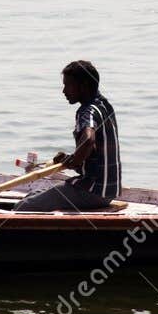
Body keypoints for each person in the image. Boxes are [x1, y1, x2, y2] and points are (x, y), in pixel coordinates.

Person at [14, 60, 121, 212]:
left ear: (83, 86)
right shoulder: (105, 106)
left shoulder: (87, 111)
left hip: (91, 191)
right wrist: (69, 159)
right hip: (109, 191)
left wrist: (75, 160)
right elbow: (93, 153)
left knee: (23, 207)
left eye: (67, 85)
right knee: (31, 196)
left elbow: (89, 140)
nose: (64, 91)